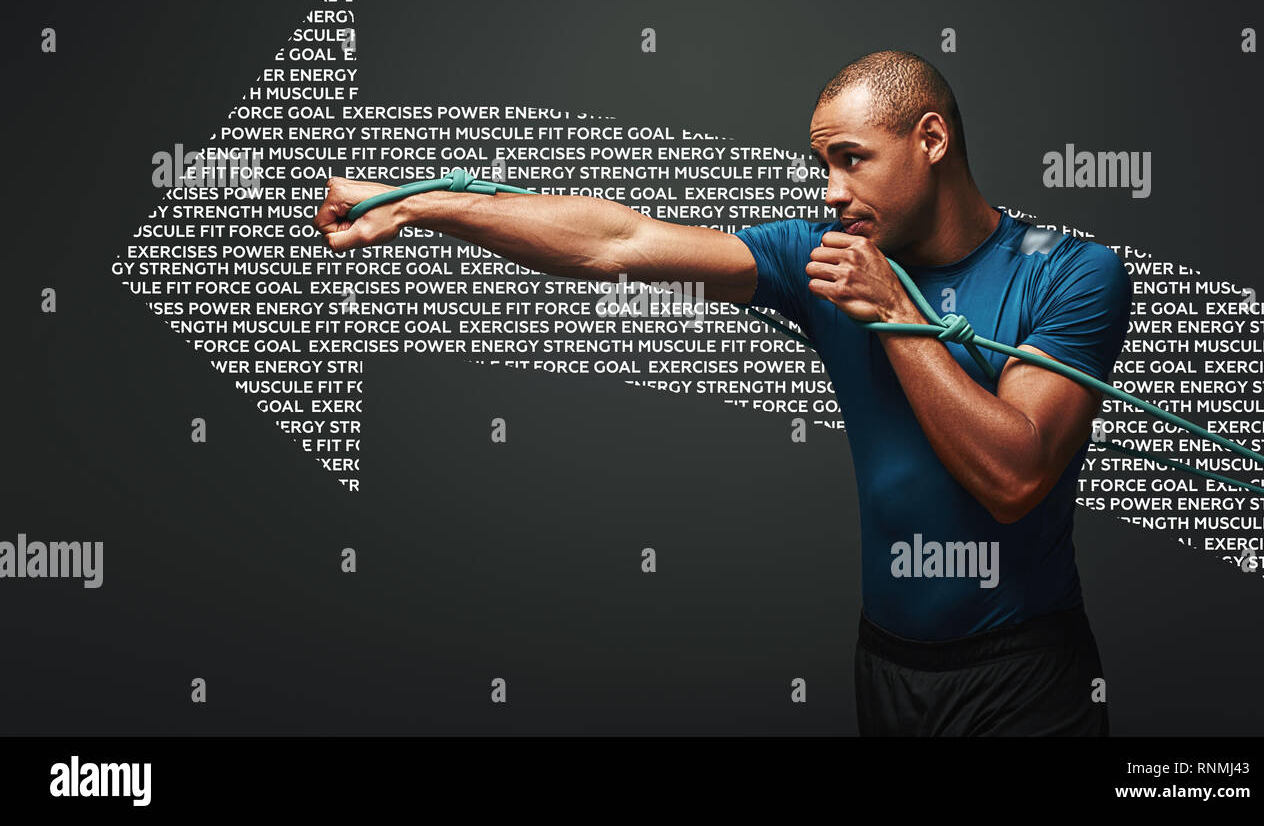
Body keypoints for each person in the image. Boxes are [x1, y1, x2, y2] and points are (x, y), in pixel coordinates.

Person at [312, 50, 1132, 736]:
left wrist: (892, 311)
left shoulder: (1068, 272)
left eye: (851, 159)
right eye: (823, 165)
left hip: (1024, 671)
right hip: (887, 667)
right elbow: (618, 241)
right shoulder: (824, 258)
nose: (830, 193)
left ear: (930, 139)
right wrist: (421, 205)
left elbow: (1015, 477)